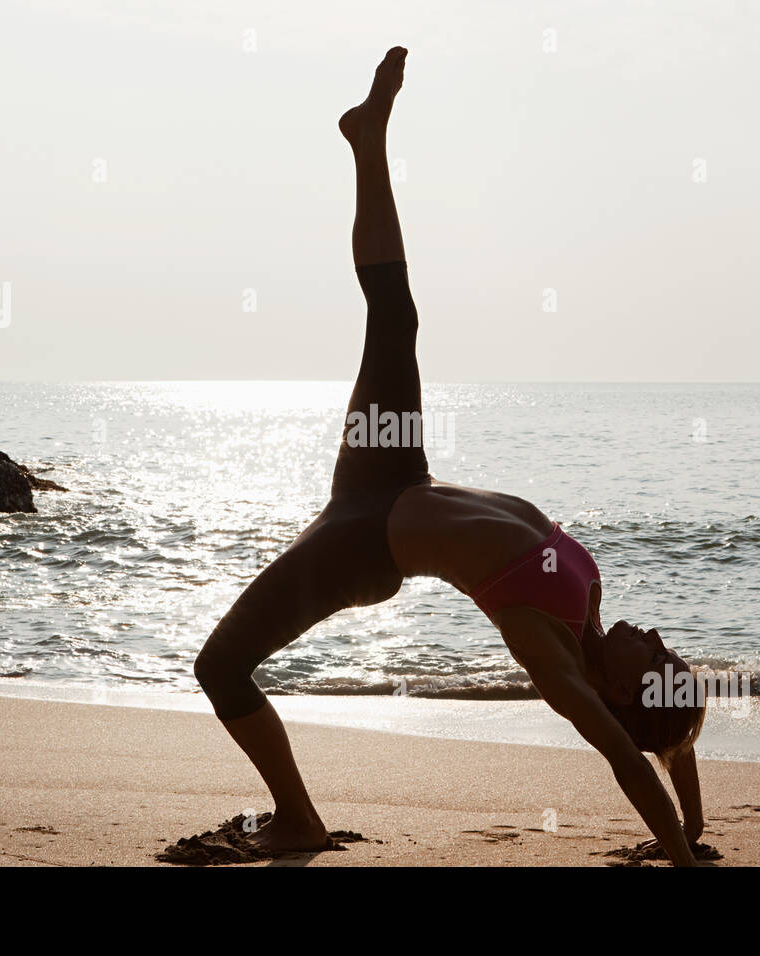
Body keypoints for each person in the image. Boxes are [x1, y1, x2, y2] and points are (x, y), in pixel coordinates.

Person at [194, 47, 705, 866]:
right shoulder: (588, 599)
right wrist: (695, 823)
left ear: (619, 686)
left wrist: (676, 855)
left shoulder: (554, 659)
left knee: (220, 666)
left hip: (363, 544)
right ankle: (368, 140)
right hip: (393, 472)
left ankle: (298, 819)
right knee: (396, 315)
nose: (652, 634)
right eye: (665, 648)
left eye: (656, 653)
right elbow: (670, 739)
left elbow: (624, 754)